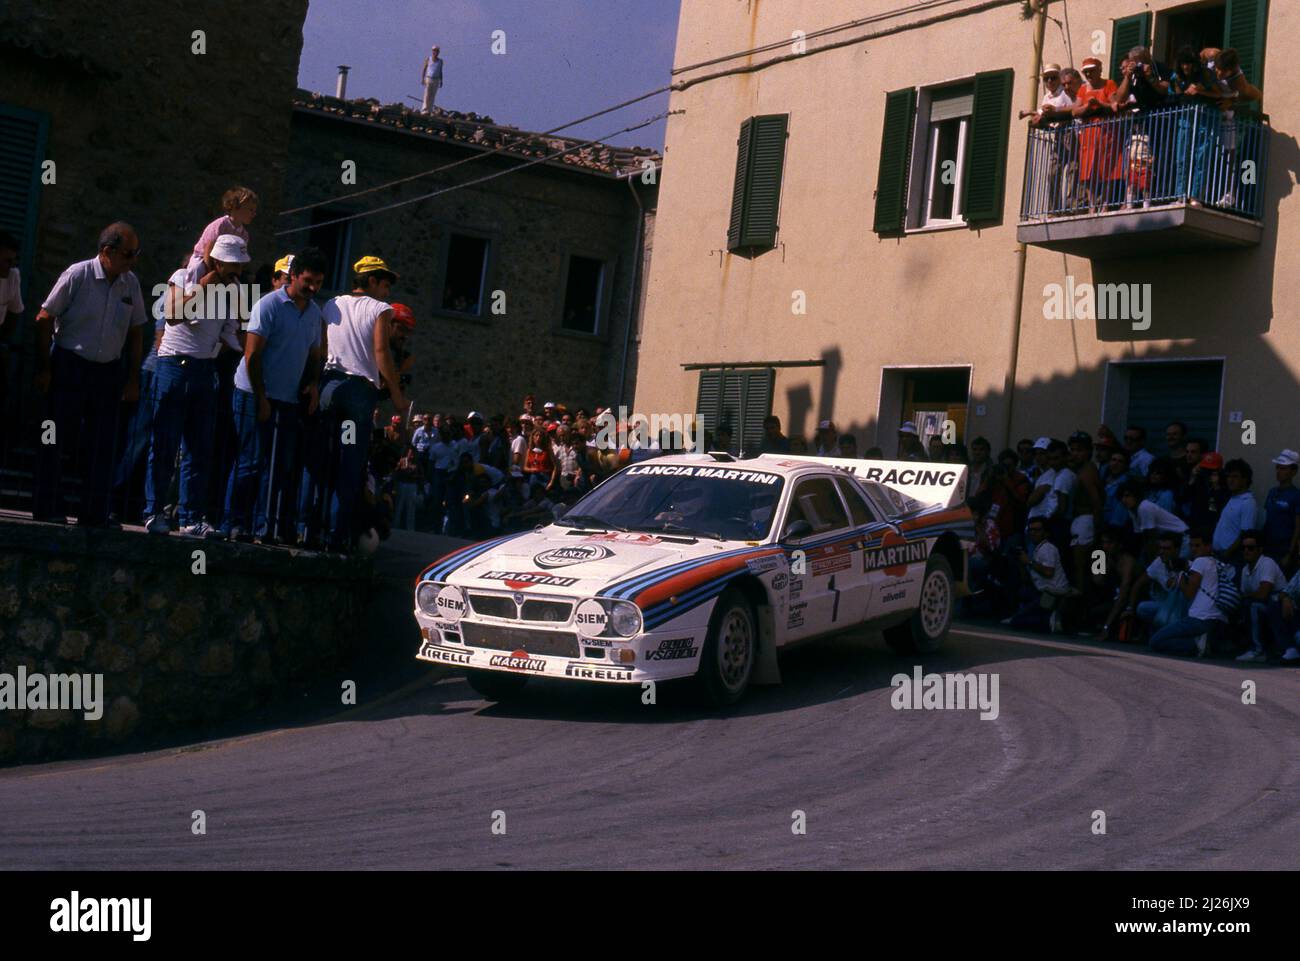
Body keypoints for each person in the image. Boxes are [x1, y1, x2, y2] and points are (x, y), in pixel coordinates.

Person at [32, 222, 147, 526]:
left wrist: (132, 377)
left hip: (107, 370)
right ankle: (47, 506)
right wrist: (45, 367)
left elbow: (136, 331)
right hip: (70, 363)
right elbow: (44, 317)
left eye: (136, 254)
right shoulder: (78, 275)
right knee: (54, 438)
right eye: (128, 254)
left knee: (102, 444)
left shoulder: (130, 283)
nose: (132, 261)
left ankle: (94, 511)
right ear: (107, 251)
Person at [143, 234, 248, 536]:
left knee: (199, 448)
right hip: (174, 365)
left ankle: (191, 518)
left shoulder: (235, 287)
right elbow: (174, 315)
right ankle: (153, 512)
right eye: (233, 265)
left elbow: (233, 330)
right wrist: (206, 285)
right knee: (164, 443)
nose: (238, 272)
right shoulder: (183, 277)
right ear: (216, 261)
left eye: (240, 266)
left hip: (204, 367)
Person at [224, 247, 327, 543]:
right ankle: (235, 523)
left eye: (318, 283)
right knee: (251, 462)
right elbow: (252, 355)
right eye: (308, 280)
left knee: (277, 467)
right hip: (252, 393)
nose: (312, 288)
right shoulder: (269, 305)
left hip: (287, 398)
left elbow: (313, 354)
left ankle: (264, 526)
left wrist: (312, 384)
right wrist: (261, 398)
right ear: (292, 276)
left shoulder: (313, 313)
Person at [317, 256, 408, 553]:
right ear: (371, 281)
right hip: (357, 393)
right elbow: (381, 351)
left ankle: (308, 528)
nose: (387, 293)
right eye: (385, 284)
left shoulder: (332, 304)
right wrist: (395, 392)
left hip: (329, 387)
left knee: (322, 460)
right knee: (349, 464)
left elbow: (322, 346)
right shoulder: (380, 309)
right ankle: (336, 534)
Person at [1148, 528, 1225, 656]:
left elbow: (1189, 593)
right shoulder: (1217, 563)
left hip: (1200, 619)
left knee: (1155, 642)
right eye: (1191, 545)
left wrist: (1181, 574)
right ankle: (1202, 642)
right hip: (1215, 618)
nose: (1194, 549)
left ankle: (1197, 645)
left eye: (1198, 545)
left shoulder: (1200, 562)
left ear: (1208, 546)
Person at [1002, 516, 1071, 633]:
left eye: (1037, 530)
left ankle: (1049, 620)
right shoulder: (1036, 549)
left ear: (1046, 533)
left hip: (1053, 593)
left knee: (1017, 622)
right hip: (1040, 591)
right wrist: (1022, 564)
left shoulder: (1047, 548)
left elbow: (1049, 572)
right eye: (1031, 530)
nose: (1033, 533)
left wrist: (1028, 561)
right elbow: (1026, 579)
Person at [1073, 57, 1122, 212]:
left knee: (1108, 168)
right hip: (1088, 134)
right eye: (1086, 71)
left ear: (1099, 70)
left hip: (1107, 132)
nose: (1088, 74)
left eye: (1091, 70)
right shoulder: (1082, 89)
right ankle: (1092, 205)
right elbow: (1075, 111)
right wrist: (1088, 106)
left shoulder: (1109, 84)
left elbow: (1114, 106)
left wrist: (1100, 104)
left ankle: (1106, 204)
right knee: (1088, 170)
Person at [1237, 531, 1284, 663]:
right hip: (1264, 604)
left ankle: (1257, 650)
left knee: (1253, 606)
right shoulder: (1245, 570)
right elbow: (1244, 595)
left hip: (1279, 603)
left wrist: (1248, 596)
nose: (1246, 551)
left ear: (1259, 550)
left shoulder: (1267, 563)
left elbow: (1263, 593)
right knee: (1244, 606)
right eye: (1244, 548)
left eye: (1251, 548)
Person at [188, 187, 258, 274]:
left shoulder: (244, 235)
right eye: (250, 210)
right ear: (235, 207)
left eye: (255, 211)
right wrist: (209, 272)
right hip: (203, 258)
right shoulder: (220, 225)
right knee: (197, 269)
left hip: (225, 266)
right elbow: (208, 249)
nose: (254, 214)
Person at [1213, 458, 1258, 565]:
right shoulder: (1232, 498)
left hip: (1231, 558)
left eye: (1235, 476)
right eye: (1228, 476)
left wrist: (1227, 553)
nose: (1230, 480)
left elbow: (1245, 534)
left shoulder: (1248, 502)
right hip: (1218, 555)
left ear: (1245, 479)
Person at [1262, 449, 1300, 570]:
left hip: (1283, 552)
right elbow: (1266, 519)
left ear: (1294, 471)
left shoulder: (1296, 495)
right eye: (1277, 467)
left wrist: (1289, 554)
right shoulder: (1272, 492)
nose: (1278, 471)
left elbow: (1298, 528)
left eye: (1283, 468)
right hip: (1267, 549)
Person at [420, 45, 444, 114]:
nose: (435, 52)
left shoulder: (440, 61)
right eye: (434, 50)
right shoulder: (428, 59)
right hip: (429, 78)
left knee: (432, 95)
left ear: (438, 52)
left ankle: (429, 110)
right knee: (427, 94)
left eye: (436, 51)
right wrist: (422, 78)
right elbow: (424, 69)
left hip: (436, 79)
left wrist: (441, 80)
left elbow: (440, 71)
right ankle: (424, 109)